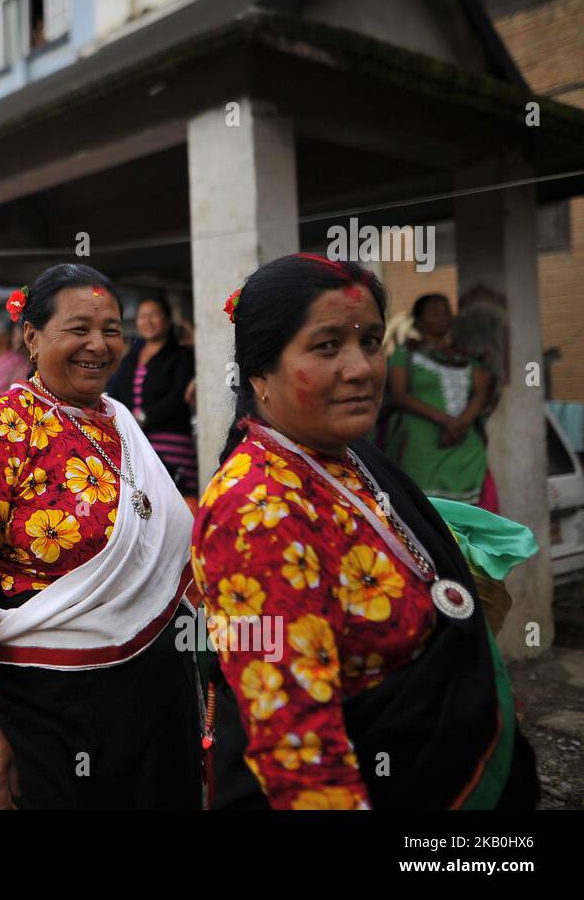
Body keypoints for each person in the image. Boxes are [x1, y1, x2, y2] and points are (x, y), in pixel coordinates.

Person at [192, 252, 538, 809]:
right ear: (260, 372)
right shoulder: (257, 512)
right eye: (327, 346)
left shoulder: (348, 459)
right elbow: (301, 755)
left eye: (371, 342)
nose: (361, 368)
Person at [0, 264, 201, 810]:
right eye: (78, 329)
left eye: (111, 329)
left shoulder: (121, 420)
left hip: (153, 690)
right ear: (31, 337)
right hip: (50, 703)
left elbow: (173, 551)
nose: (98, 345)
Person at [383, 294, 494, 508]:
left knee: (473, 513)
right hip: (422, 446)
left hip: (465, 446)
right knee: (428, 512)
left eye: (446, 311)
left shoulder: (466, 358)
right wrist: (444, 420)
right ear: (418, 320)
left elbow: (481, 394)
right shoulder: (404, 355)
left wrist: (460, 424)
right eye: (434, 312)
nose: (442, 316)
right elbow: (400, 395)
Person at [109, 290, 198, 497]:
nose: (147, 321)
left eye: (154, 315)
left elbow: (178, 397)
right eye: (142, 316)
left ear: (167, 321)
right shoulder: (130, 358)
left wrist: (143, 417)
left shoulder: (181, 355)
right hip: (137, 444)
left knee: (176, 503)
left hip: (172, 443)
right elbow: (115, 395)